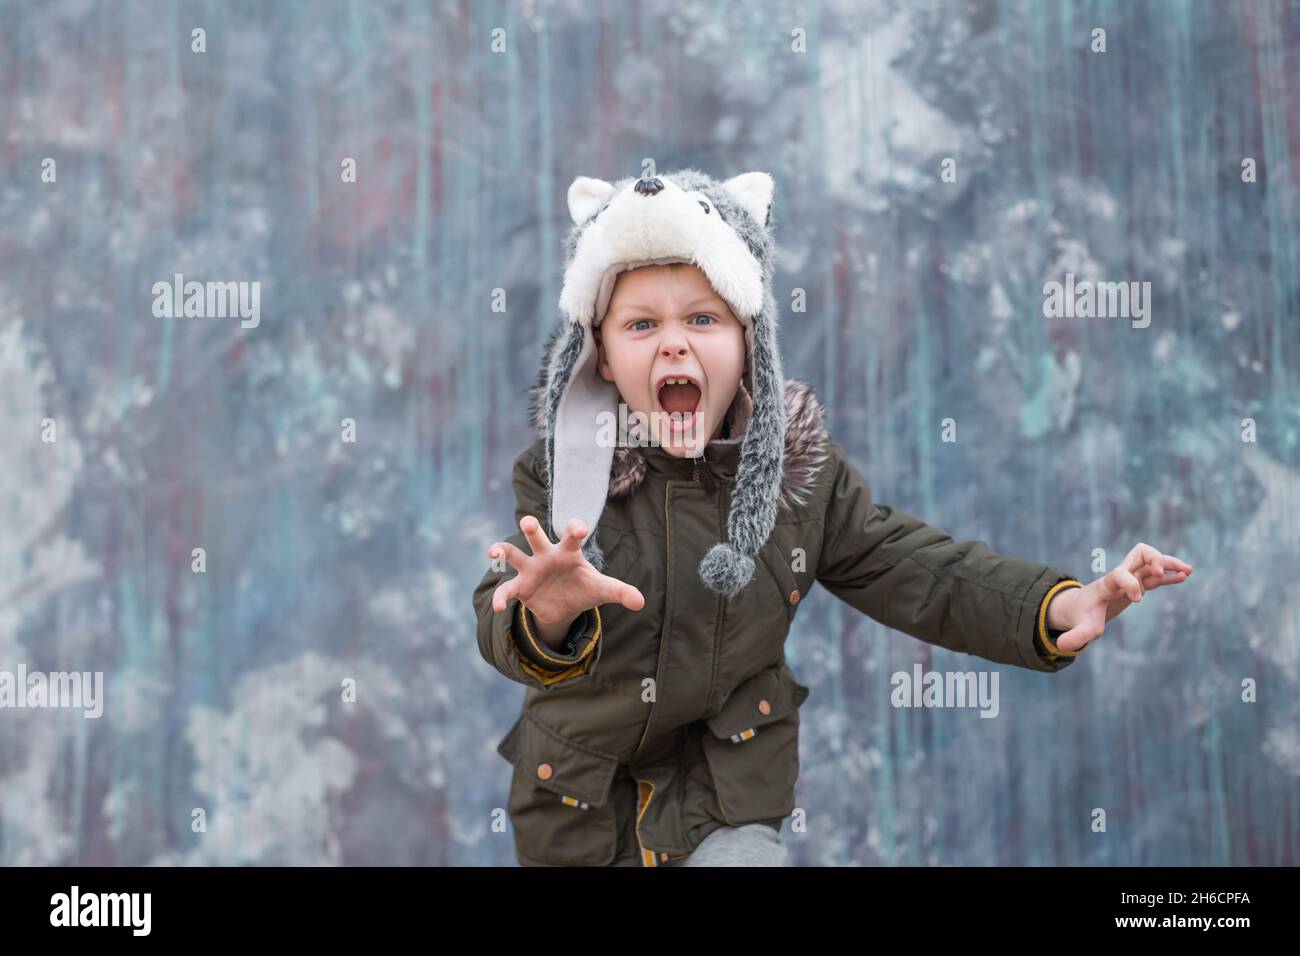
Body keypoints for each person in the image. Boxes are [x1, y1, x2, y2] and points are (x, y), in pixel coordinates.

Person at [472, 168, 1192, 867]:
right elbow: (501, 601)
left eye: (703, 317)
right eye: (640, 324)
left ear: (751, 341)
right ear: (598, 357)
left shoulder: (804, 482)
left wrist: (1058, 603)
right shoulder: (566, 482)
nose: (674, 343)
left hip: (728, 802)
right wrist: (544, 617)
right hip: (583, 817)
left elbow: (922, 572)